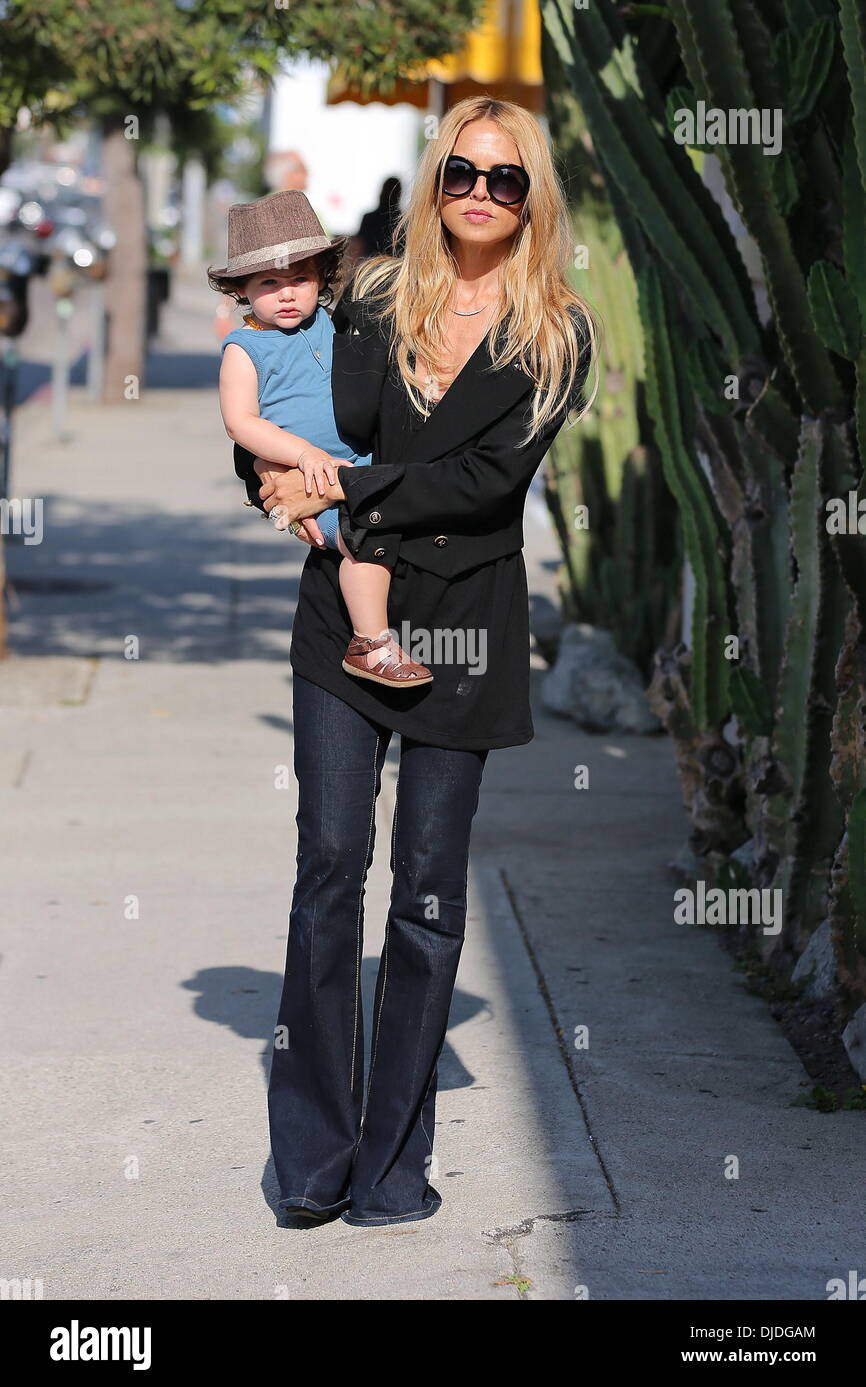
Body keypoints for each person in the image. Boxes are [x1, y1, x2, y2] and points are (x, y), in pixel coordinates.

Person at [234, 97, 599, 1227]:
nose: (480, 194)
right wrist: (272, 481)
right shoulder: (376, 294)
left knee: (429, 901)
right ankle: (310, 1160)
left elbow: (485, 483)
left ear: (531, 197)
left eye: (505, 179)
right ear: (434, 180)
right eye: (461, 173)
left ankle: (391, 1166)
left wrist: (340, 485)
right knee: (329, 867)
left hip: (464, 632)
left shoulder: (557, 333)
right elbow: (292, 393)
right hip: (343, 618)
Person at [210, 191, 431, 686]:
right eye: (270, 283)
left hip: (361, 459)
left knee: (393, 521)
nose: (288, 294)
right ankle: (371, 644)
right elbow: (241, 422)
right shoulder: (245, 348)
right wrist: (301, 454)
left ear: (321, 280)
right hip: (309, 472)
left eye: (300, 280)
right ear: (242, 289)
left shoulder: (334, 323)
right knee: (362, 539)